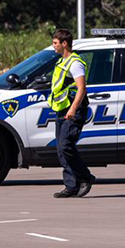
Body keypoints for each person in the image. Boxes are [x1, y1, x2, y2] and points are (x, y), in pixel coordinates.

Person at [49, 29, 95, 198]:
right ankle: (71, 185)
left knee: (66, 146)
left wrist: (73, 109)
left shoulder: (75, 63)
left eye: (55, 43)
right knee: (61, 149)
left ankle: (86, 177)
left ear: (64, 44)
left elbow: (81, 88)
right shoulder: (62, 61)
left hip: (73, 110)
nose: (53, 46)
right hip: (62, 108)